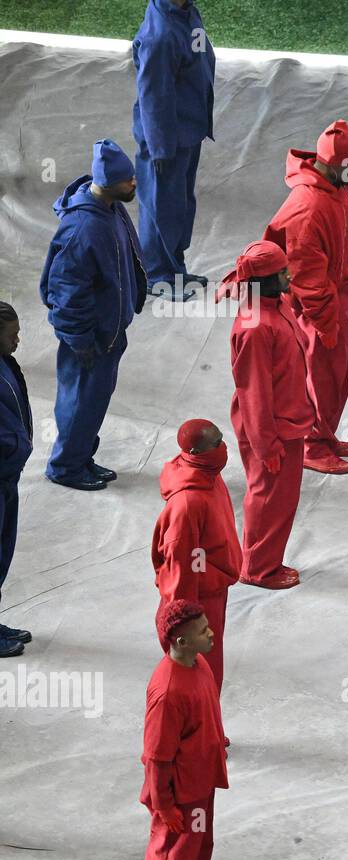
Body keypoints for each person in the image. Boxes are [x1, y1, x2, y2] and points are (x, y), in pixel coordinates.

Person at [40, 139, 146, 492]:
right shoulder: (84, 229)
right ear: (108, 182)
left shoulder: (111, 208)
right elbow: (65, 291)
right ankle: (65, 467)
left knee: (92, 402)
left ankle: (80, 455)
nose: (134, 183)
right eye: (127, 180)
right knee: (79, 402)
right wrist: (82, 341)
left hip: (108, 332)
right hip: (89, 338)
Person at [263, 121, 348, 476]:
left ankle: (324, 433)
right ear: (337, 165)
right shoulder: (307, 207)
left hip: (339, 295)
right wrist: (325, 322)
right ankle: (310, 443)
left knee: (338, 372)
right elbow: (306, 277)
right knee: (318, 376)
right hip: (317, 305)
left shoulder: (337, 186)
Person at [219, 240, 314, 590]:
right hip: (270, 429)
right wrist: (265, 443)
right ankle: (257, 567)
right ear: (264, 281)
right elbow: (253, 391)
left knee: (282, 497)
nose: (290, 274)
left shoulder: (277, 305)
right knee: (268, 497)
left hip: (287, 421)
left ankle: (267, 559)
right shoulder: (256, 327)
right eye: (282, 272)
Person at [132, 0, 217, 298]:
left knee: (179, 206)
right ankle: (156, 275)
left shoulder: (186, 11)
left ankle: (175, 268)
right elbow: (153, 96)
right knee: (160, 208)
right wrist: (159, 149)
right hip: (166, 142)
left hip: (188, 131)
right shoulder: (161, 36)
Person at [151, 419, 241, 690]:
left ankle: (210, 727)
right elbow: (182, 564)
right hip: (199, 597)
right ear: (196, 453)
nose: (223, 448)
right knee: (202, 675)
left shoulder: (208, 472)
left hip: (213, 585)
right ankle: (205, 732)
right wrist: (188, 620)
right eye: (217, 444)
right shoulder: (188, 504)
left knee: (211, 671)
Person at [141, 599, 228, 860]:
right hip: (182, 795)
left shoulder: (199, 663)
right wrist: (165, 806)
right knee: (175, 854)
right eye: (203, 631)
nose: (211, 633)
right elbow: (157, 757)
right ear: (181, 642)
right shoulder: (168, 695)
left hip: (201, 781)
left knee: (199, 843)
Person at [0, 303, 33, 658]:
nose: (18, 340)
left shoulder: (5, 363)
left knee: (2, 553)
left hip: (7, 478)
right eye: (12, 335)